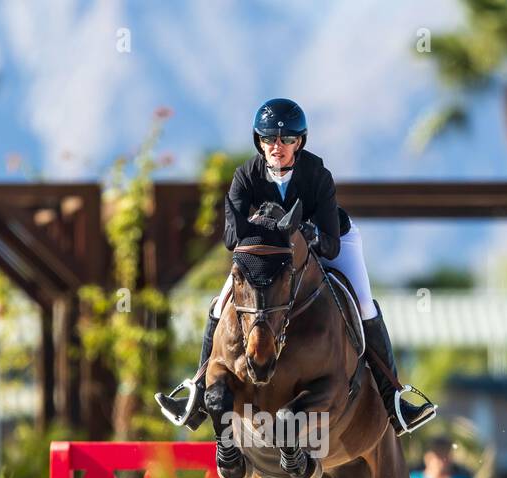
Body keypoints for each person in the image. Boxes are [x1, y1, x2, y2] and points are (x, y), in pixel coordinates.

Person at [155, 97, 436, 436]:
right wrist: (262, 228)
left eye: (287, 138)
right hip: (270, 254)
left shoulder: (316, 174)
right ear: (259, 142)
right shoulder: (245, 175)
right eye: (269, 138)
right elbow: (231, 238)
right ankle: (198, 392)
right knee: (219, 305)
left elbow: (332, 243)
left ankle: (394, 399)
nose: (278, 146)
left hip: (330, 242)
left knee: (363, 304)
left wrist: (306, 234)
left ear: (299, 142)